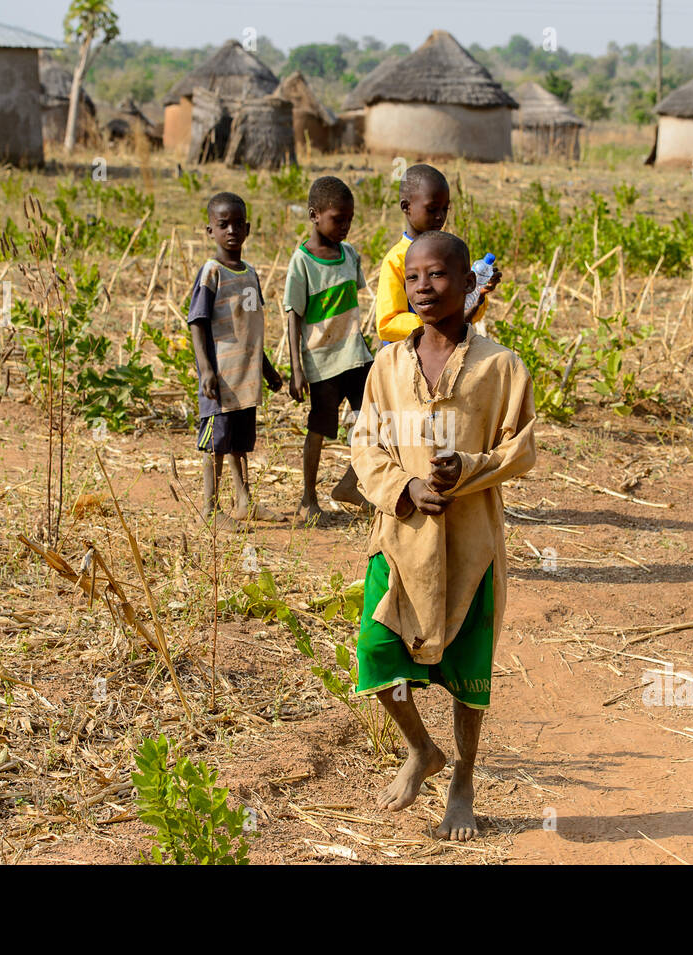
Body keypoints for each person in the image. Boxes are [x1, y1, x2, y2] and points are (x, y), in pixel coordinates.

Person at [350, 230, 536, 841]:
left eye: (438, 276)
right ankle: (421, 751)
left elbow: (521, 447)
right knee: (377, 652)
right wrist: (402, 486)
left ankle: (463, 778)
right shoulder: (388, 364)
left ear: (467, 283)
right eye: (414, 278)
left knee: (467, 670)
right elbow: (365, 442)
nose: (424, 287)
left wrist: (471, 469)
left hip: (471, 544)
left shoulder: (499, 366)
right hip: (401, 537)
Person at [187, 191, 283, 529]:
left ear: (248, 228)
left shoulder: (250, 273)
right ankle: (210, 510)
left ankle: (244, 502)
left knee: (239, 443)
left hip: (246, 376)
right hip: (221, 379)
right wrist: (206, 370)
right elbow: (197, 321)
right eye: (223, 224)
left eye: (237, 224)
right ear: (209, 231)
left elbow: (252, 327)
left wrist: (268, 369)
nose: (231, 231)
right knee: (216, 443)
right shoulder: (211, 272)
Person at [284, 176, 374, 525]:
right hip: (321, 363)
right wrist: (297, 368)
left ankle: (351, 483)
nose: (345, 226)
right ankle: (308, 498)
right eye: (338, 218)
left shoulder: (349, 254)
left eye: (350, 219)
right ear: (314, 215)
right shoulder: (302, 262)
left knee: (374, 421)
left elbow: (353, 306)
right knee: (319, 428)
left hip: (355, 355)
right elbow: (293, 317)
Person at [373, 164, 500, 344]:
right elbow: (388, 323)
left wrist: (478, 295)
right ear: (406, 207)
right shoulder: (397, 259)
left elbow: (463, 315)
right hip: (406, 357)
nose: (440, 216)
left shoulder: (449, 253)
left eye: (444, 209)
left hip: (444, 352)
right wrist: (438, 321)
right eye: (432, 209)